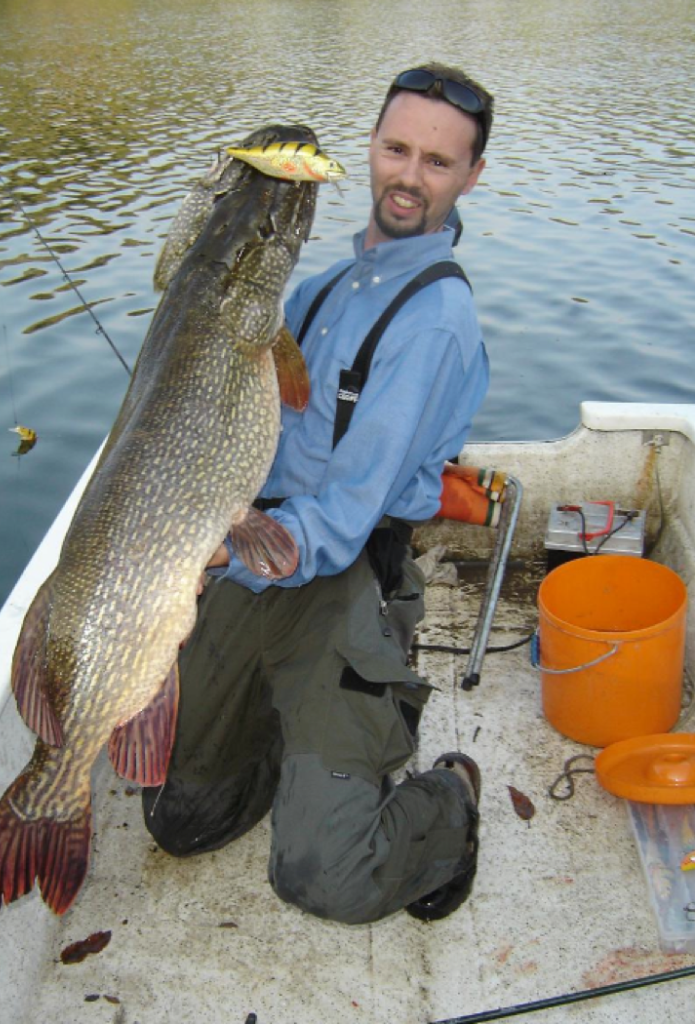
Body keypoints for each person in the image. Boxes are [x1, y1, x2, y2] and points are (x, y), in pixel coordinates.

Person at [143, 63, 494, 925]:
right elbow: (215, 350)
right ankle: (285, 736)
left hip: (344, 582)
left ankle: (449, 802)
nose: (409, 177)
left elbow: (340, 522)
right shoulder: (318, 290)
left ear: (470, 176)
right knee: (178, 818)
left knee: (321, 875)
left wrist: (213, 550)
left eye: (437, 163)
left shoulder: (435, 324)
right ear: (370, 147)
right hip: (260, 555)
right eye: (397, 148)